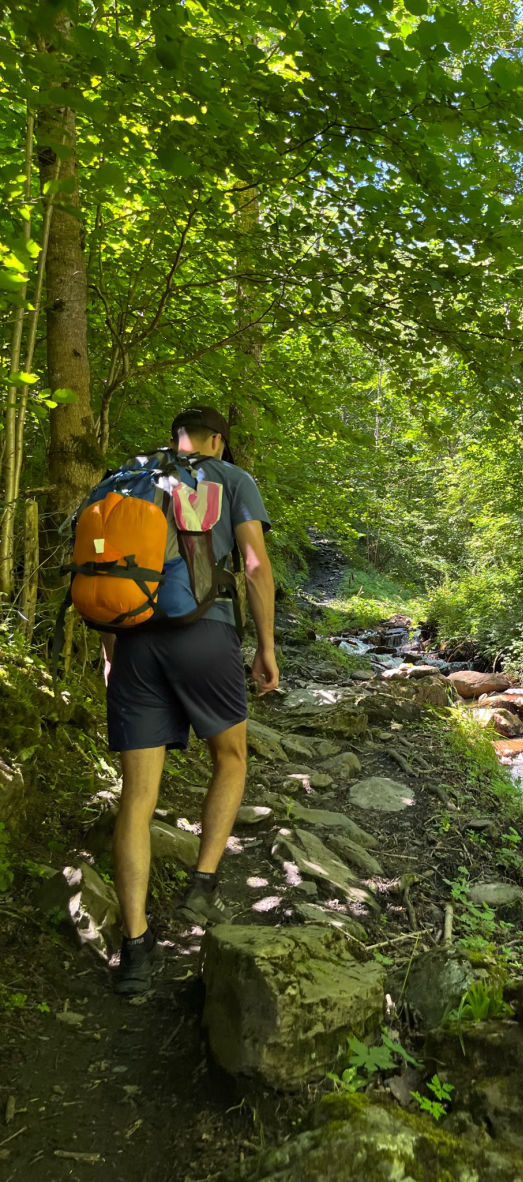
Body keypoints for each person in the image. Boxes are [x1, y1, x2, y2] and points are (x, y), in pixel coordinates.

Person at [104, 406, 279, 995]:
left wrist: (111, 652)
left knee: (137, 797)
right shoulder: (232, 479)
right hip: (205, 632)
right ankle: (202, 883)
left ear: (175, 438)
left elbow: (112, 571)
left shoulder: (136, 477)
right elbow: (254, 566)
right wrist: (265, 647)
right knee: (231, 756)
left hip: (135, 638)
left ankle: (135, 949)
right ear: (217, 441)